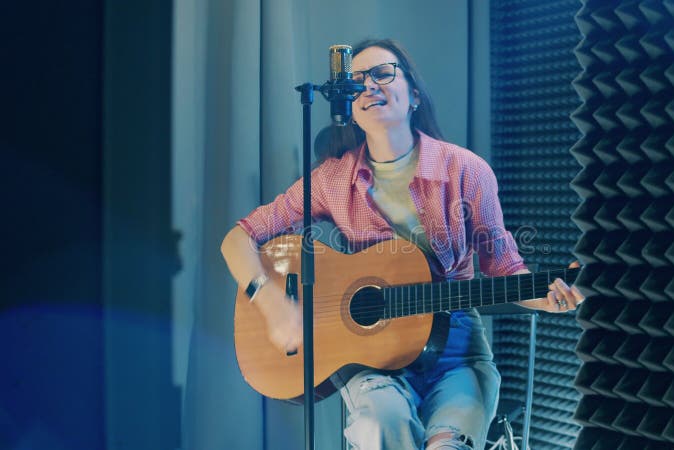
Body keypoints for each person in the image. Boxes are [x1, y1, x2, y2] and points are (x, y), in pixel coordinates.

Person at [221, 38, 584, 450]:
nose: (369, 86)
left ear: (413, 94)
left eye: (382, 73)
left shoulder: (466, 170)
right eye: (357, 81)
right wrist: (272, 305)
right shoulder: (331, 181)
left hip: (458, 351)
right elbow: (238, 238)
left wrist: (547, 296)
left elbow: (504, 267)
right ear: (351, 109)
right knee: (382, 426)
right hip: (374, 361)